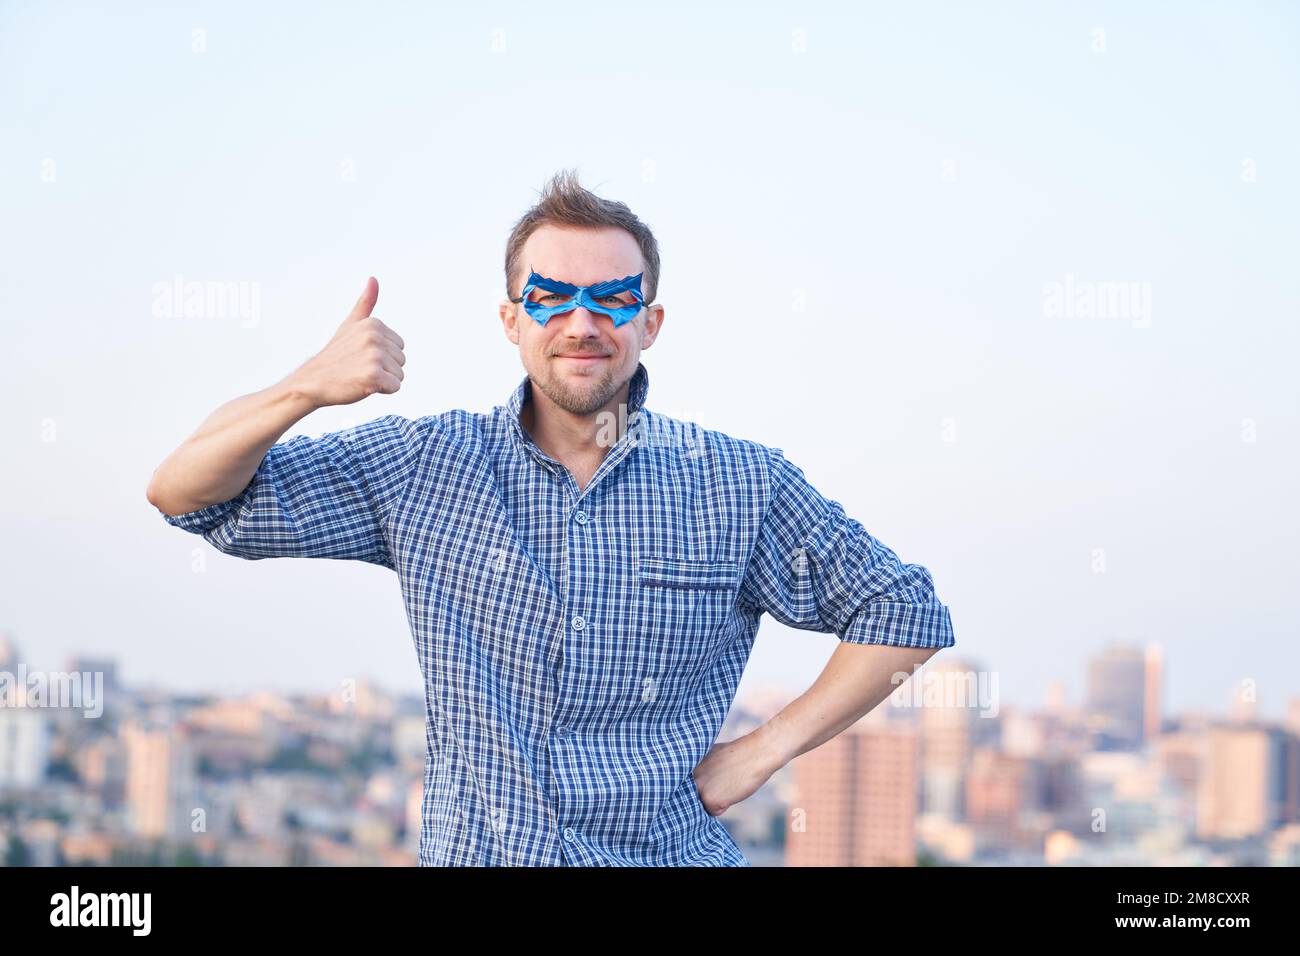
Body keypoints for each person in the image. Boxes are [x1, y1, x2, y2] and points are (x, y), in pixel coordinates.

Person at [147, 169, 956, 866]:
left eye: (612, 297)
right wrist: (307, 387)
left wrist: (765, 751)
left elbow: (905, 611)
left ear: (651, 321)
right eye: (551, 296)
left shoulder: (738, 484)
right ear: (511, 321)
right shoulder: (426, 466)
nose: (581, 322)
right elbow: (185, 493)